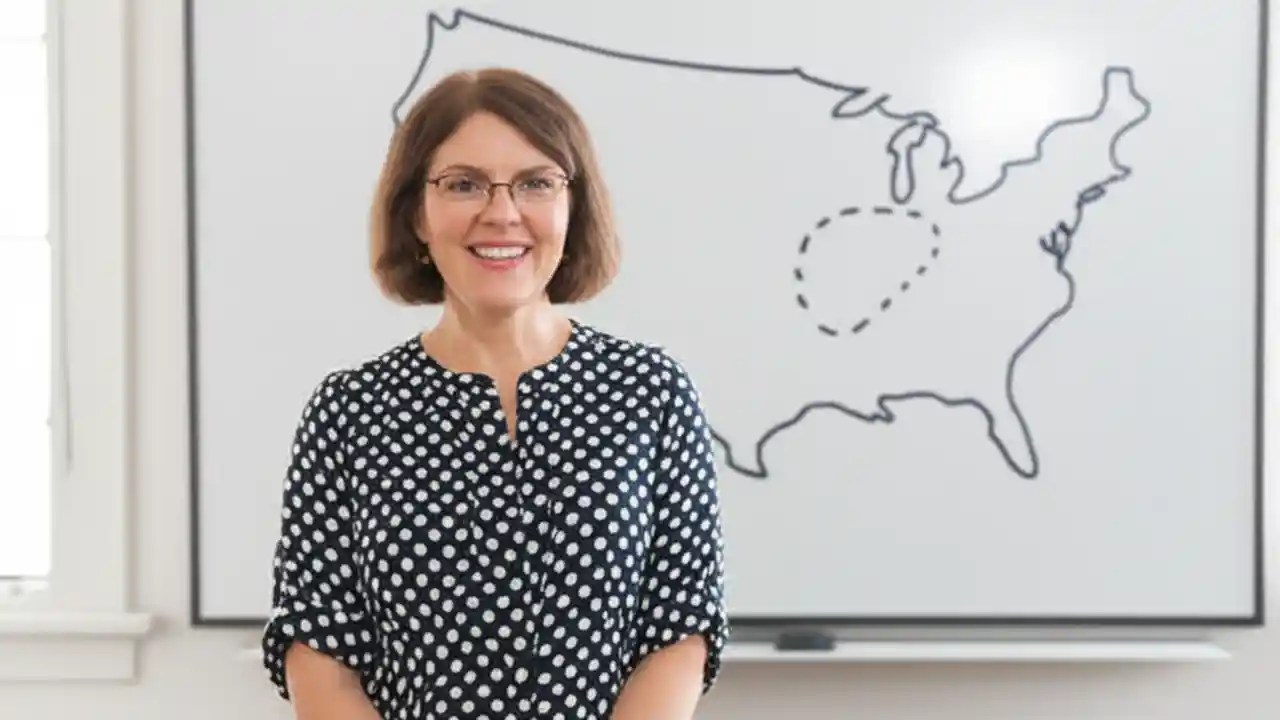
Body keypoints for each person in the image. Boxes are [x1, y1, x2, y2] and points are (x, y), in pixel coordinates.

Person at [259, 67, 730, 720]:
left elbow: (680, 626)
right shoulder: (348, 412)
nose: (502, 213)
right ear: (416, 215)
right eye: (463, 184)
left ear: (574, 207)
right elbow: (317, 645)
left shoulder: (652, 392)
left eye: (537, 182)